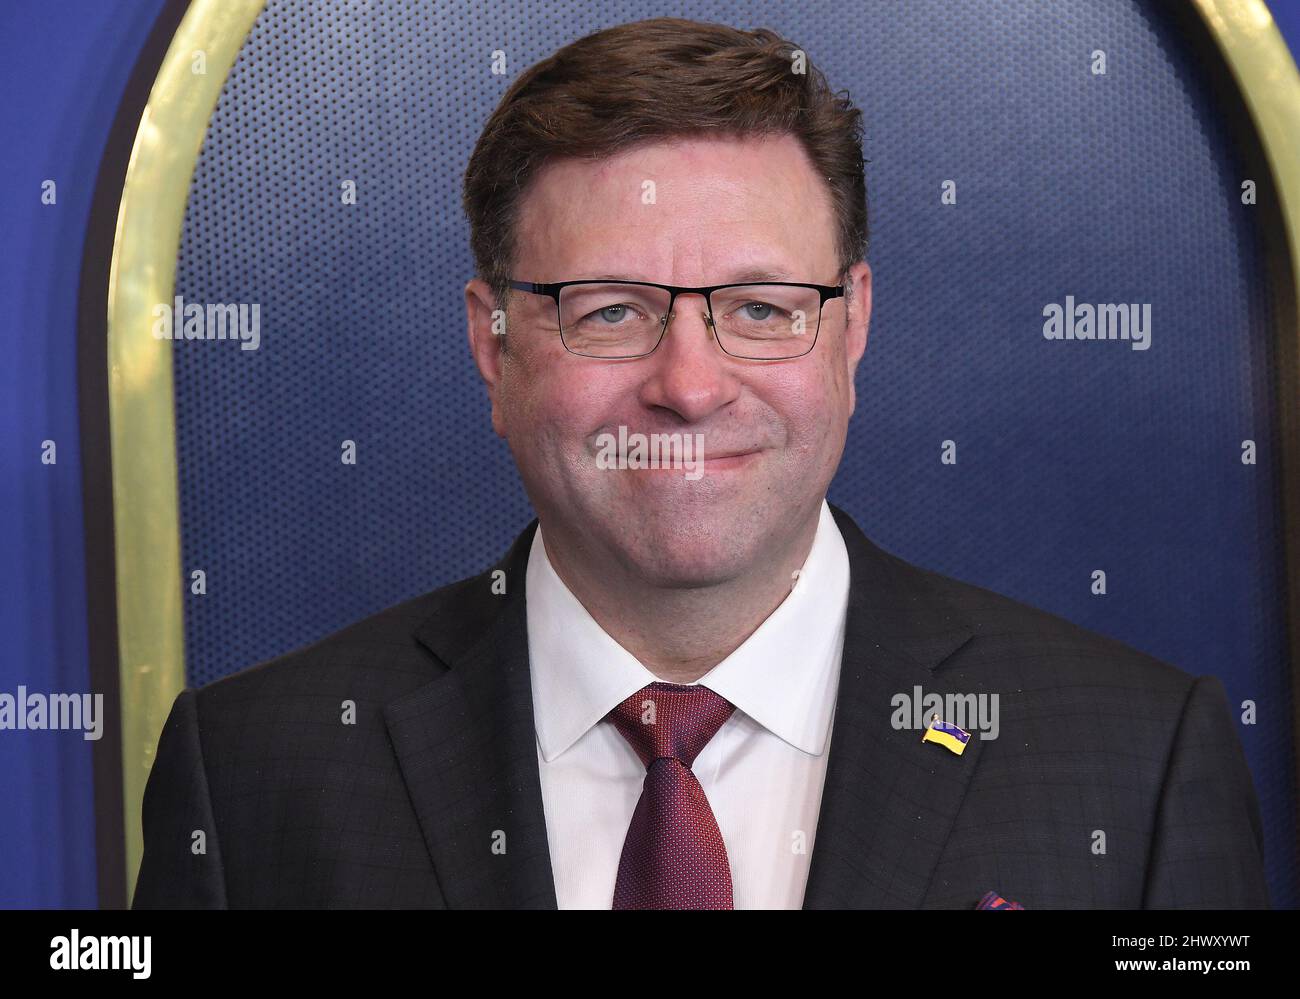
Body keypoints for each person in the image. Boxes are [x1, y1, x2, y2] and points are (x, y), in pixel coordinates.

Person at [132, 17, 1268, 909]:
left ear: (852, 325)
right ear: (492, 341)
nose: (688, 384)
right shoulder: (252, 777)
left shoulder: (1139, 763)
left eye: (762, 308)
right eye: (610, 310)